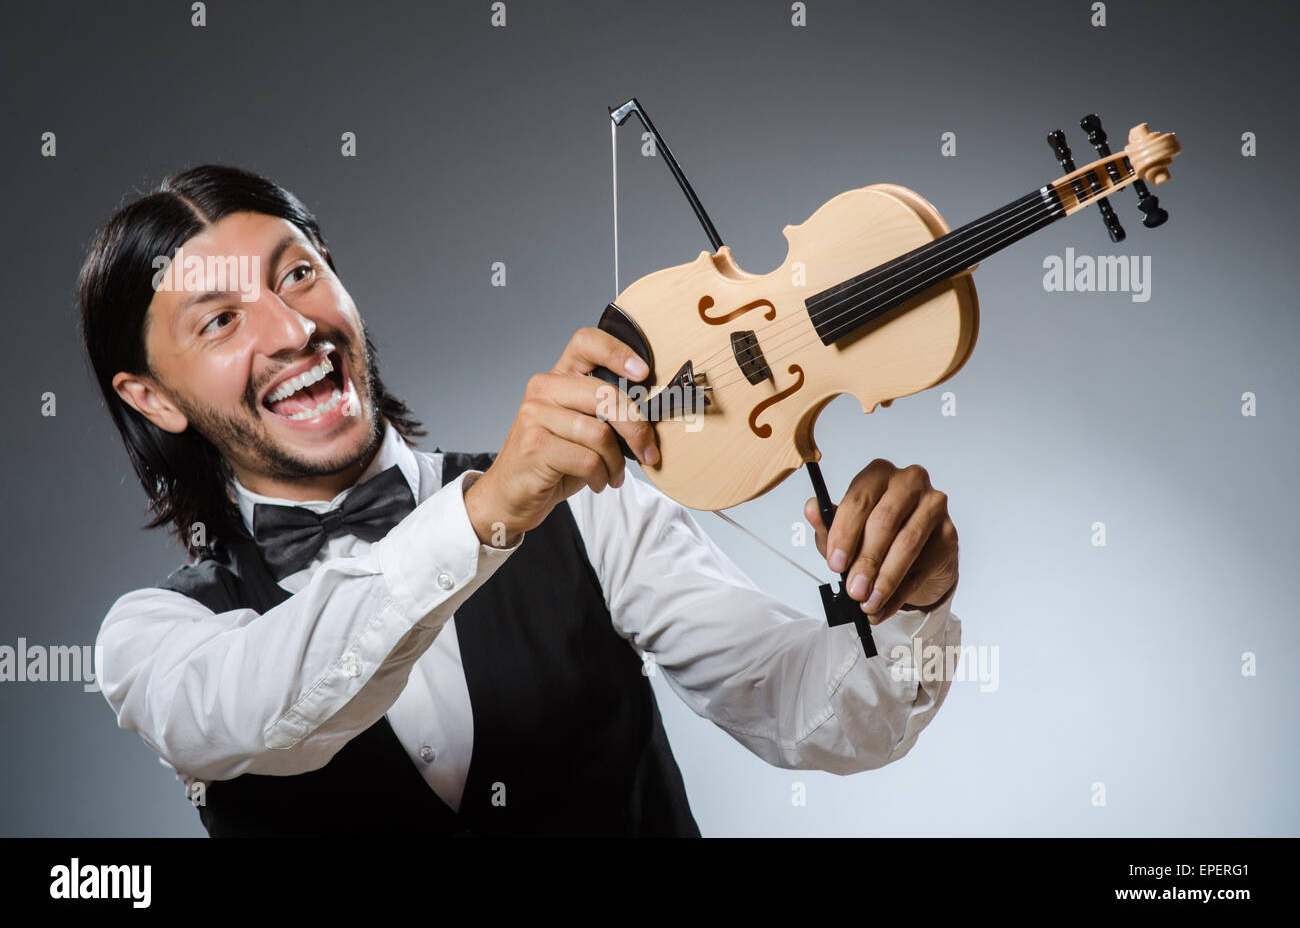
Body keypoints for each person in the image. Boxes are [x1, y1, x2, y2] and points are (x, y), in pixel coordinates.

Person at [80, 163, 962, 837]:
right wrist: (486, 512)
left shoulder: (595, 506)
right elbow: (274, 710)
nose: (290, 329)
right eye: (219, 320)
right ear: (152, 397)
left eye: (299, 273)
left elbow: (821, 720)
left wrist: (909, 611)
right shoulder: (152, 639)